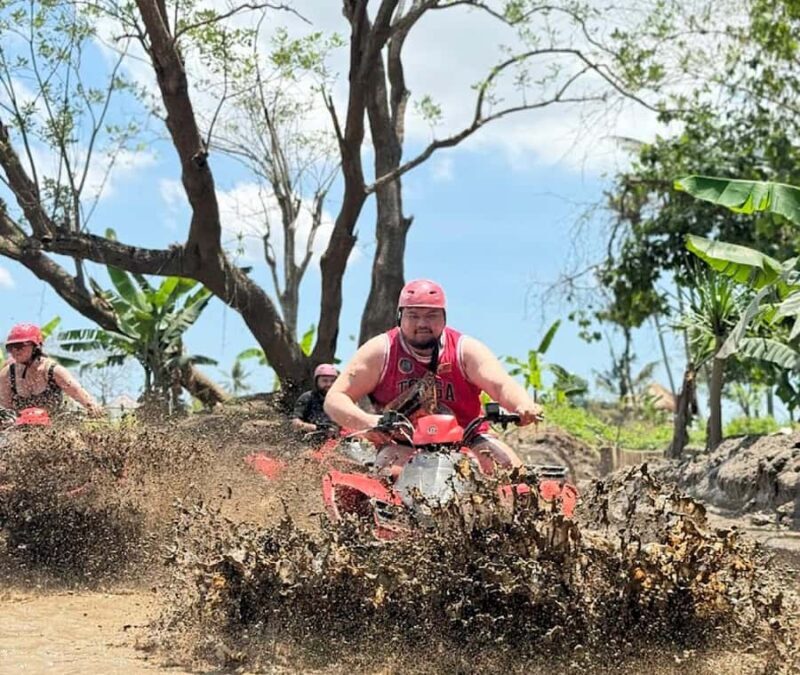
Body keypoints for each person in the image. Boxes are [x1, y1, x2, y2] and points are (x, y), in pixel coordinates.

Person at [324, 279, 544, 471]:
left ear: (444, 317)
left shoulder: (464, 349)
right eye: (413, 315)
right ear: (400, 317)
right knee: (388, 473)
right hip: (403, 443)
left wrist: (522, 405)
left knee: (513, 475)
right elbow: (335, 399)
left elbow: (501, 384)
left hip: (468, 439)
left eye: (431, 316)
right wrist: (369, 421)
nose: (422, 324)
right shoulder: (381, 350)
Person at [0, 323, 103, 417]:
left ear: (36, 346)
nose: (14, 351)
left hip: (57, 430)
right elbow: (5, 409)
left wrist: (93, 407)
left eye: (19, 346)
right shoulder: (7, 375)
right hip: (21, 431)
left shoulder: (54, 371)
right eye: (10, 347)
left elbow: (77, 391)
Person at [291, 363, 339, 434]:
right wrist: (315, 428)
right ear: (316, 382)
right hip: (311, 438)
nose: (329, 384)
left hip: (337, 439)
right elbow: (295, 423)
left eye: (332, 381)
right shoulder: (307, 397)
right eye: (325, 381)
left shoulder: (340, 400)